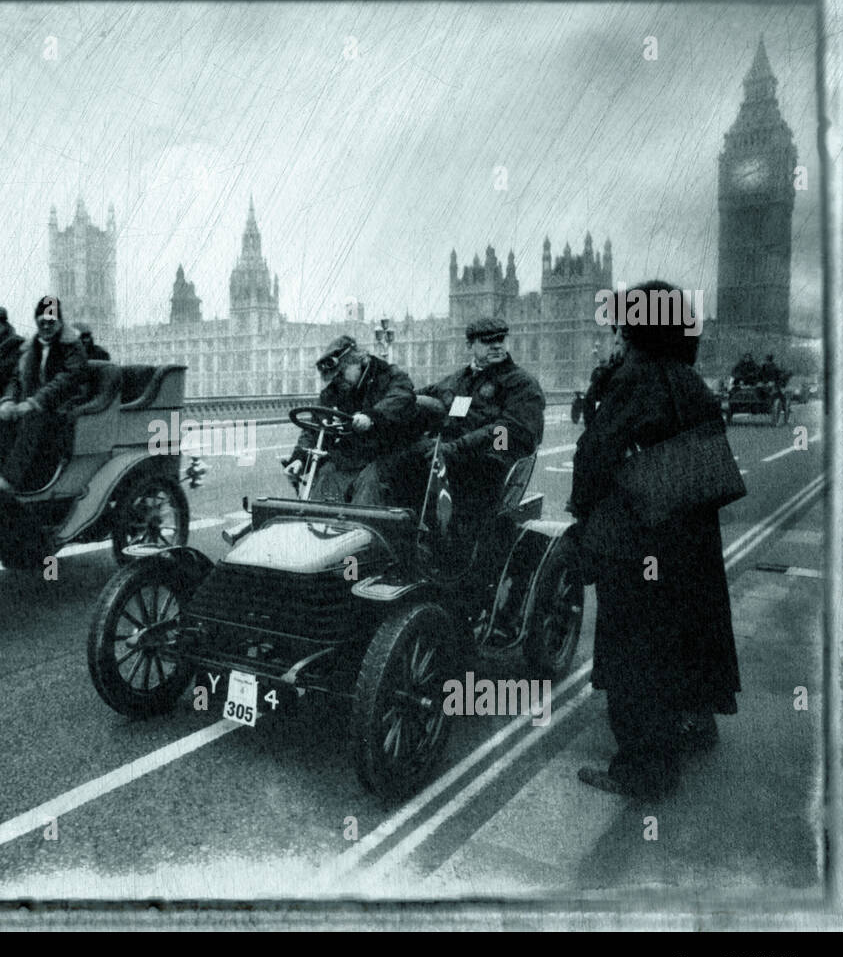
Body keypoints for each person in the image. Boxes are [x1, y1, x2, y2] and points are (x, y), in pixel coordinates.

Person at [568, 280, 740, 800]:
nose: (618, 333)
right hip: (690, 539)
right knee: (687, 635)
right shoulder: (691, 382)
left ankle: (643, 770)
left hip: (640, 538)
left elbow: (596, 456)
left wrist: (584, 510)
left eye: (624, 324)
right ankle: (694, 724)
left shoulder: (635, 378)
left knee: (633, 649)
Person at [389, 316, 544, 532]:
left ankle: (434, 543)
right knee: (395, 460)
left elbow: (509, 430)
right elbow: (416, 397)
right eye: (487, 341)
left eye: (500, 339)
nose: (497, 345)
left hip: (492, 464)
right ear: (469, 345)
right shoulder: (458, 380)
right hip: (453, 457)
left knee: (424, 471)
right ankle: (405, 533)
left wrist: (454, 449)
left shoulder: (521, 383)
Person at [285, 336, 421, 505]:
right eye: (335, 377)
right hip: (352, 457)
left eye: (341, 373)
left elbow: (402, 397)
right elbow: (316, 428)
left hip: (386, 454)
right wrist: (299, 458)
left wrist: (371, 417)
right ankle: (318, 520)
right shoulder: (335, 391)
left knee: (370, 481)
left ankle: (364, 526)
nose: (338, 381)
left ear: (358, 361)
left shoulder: (389, 376)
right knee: (326, 473)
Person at [0, 295, 90, 493]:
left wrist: (34, 403)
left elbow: (67, 380)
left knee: (34, 418)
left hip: (66, 407)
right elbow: (16, 379)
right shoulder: (29, 349)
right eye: (42, 322)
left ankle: (9, 479)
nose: (47, 327)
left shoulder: (72, 346)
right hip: (34, 405)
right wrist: (8, 402)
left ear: (60, 322)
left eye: (51, 322)